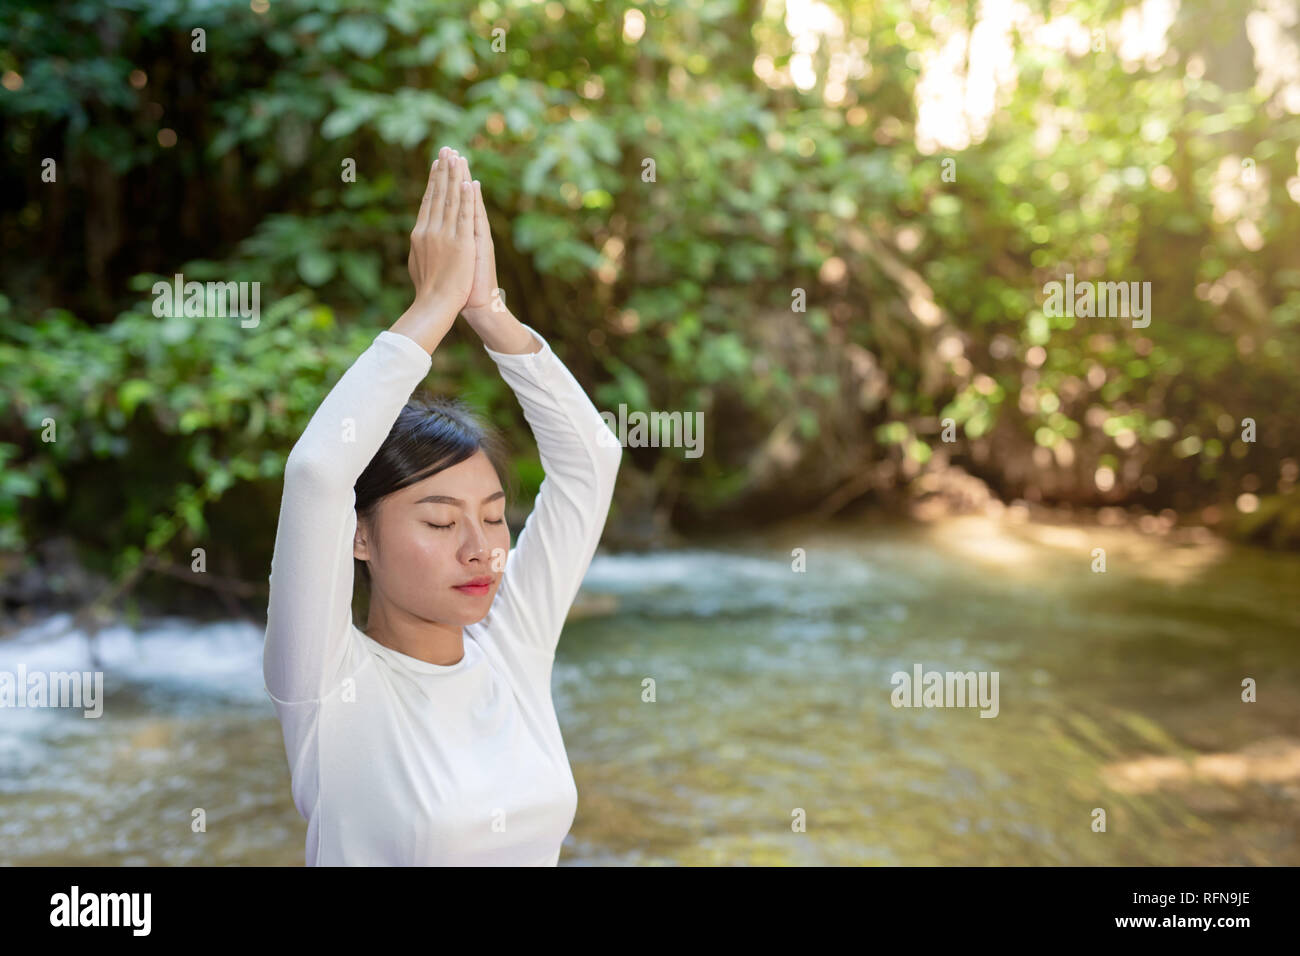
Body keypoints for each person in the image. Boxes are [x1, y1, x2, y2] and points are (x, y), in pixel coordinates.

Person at [262, 145, 622, 865]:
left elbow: (591, 461)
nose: (480, 547)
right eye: (437, 519)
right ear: (358, 536)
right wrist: (430, 311)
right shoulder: (326, 687)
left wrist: (490, 312)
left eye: (493, 517)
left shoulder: (510, 650)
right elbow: (316, 472)